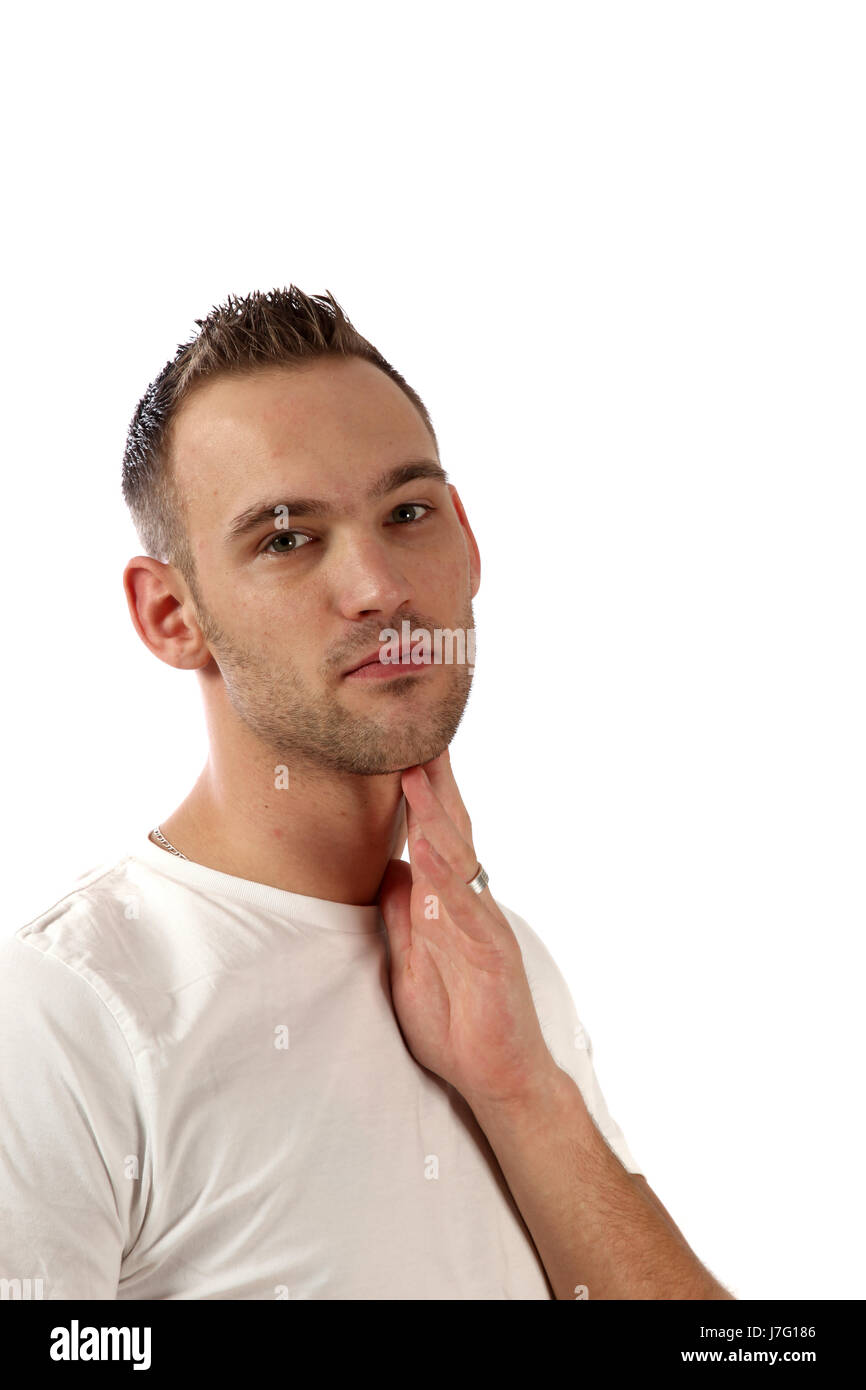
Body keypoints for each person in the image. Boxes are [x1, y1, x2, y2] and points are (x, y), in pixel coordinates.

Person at [0, 287, 733, 1300]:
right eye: (288, 538)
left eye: (407, 512)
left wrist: (521, 1091)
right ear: (171, 614)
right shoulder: (65, 1010)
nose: (380, 585)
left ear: (467, 539)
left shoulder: (501, 967)